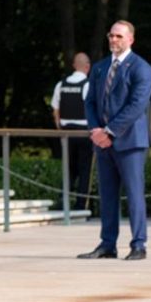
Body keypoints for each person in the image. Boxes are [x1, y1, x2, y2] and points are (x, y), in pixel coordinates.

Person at [79, 20, 151, 262]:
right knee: (107, 195)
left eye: (119, 36)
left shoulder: (140, 68)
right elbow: (90, 102)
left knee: (134, 195)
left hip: (130, 142)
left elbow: (136, 106)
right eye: (111, 35)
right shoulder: (100, 68)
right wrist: (95, 131)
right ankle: (108, 244)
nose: (114, 40)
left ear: (131, 39)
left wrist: (109, 132)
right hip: (102, 143)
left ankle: (139, 244)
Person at [51, 52, 94, 211]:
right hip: (84, 132)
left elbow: (56, 110)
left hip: (65, 133)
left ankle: (64, 201)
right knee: (85, 170)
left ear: (74, 66)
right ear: (87, 67)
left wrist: (60, 128)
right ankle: (81, 205)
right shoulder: (88, 85)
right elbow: (92, 109)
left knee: (68, 168)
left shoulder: (61, 84)